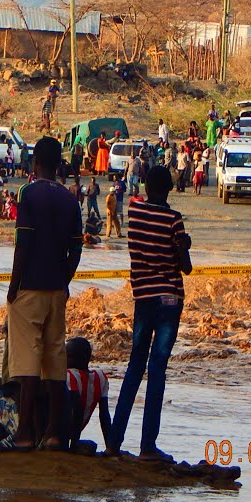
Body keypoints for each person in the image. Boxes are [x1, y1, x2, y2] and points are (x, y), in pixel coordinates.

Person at [0, 137, 83, 452]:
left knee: (26, 362)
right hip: (57, 289)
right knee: (54, 359)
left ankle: (25, 433)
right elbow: (76, 249)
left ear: (34, 163)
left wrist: (13, 285)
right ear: (59, 164)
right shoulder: (70, 199)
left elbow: (24, 244)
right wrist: (64, 280)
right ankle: (54, 434)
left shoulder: (27, 193)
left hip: (29, 285)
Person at [106, 166, 191, 462]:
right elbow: (186, 266)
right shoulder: (173, 220)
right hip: (168, 298)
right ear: (168, 189)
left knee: (134, 367)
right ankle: (147, 447)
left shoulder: (135, 214)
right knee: (157, 370)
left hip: (142, 297)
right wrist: (184, 245)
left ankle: (114, 441)